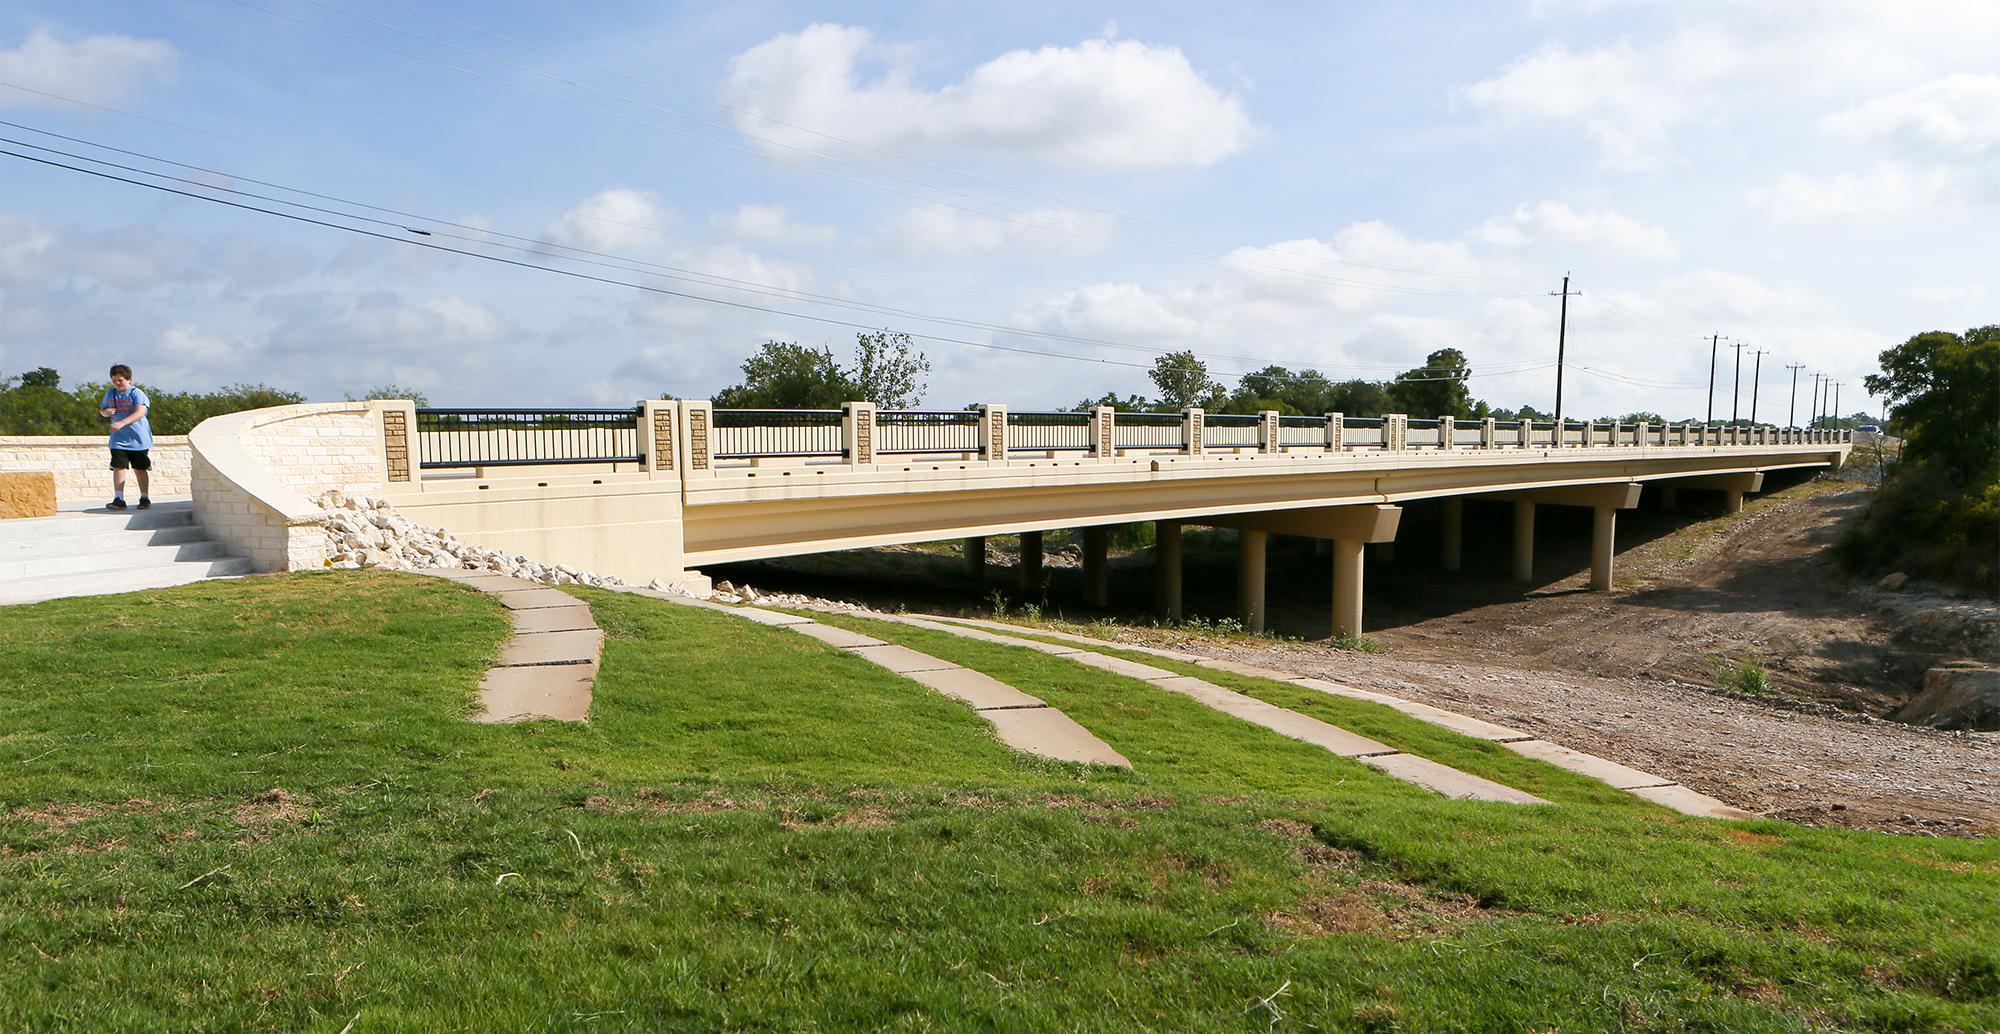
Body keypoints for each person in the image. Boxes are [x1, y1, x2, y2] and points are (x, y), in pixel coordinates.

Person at [99, 363, 153, 511]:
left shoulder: (137, 393)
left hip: (138, 439)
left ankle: (144, 497)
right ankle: (119, 498)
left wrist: (122, 422)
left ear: (128, 379)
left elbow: (140, 412)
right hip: (118, 439)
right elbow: (102, 410)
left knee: (139, 468)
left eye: (120, 380)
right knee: (118, 467)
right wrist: (106, 412)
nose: (117, 383)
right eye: (114, 380)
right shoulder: (110, 393)